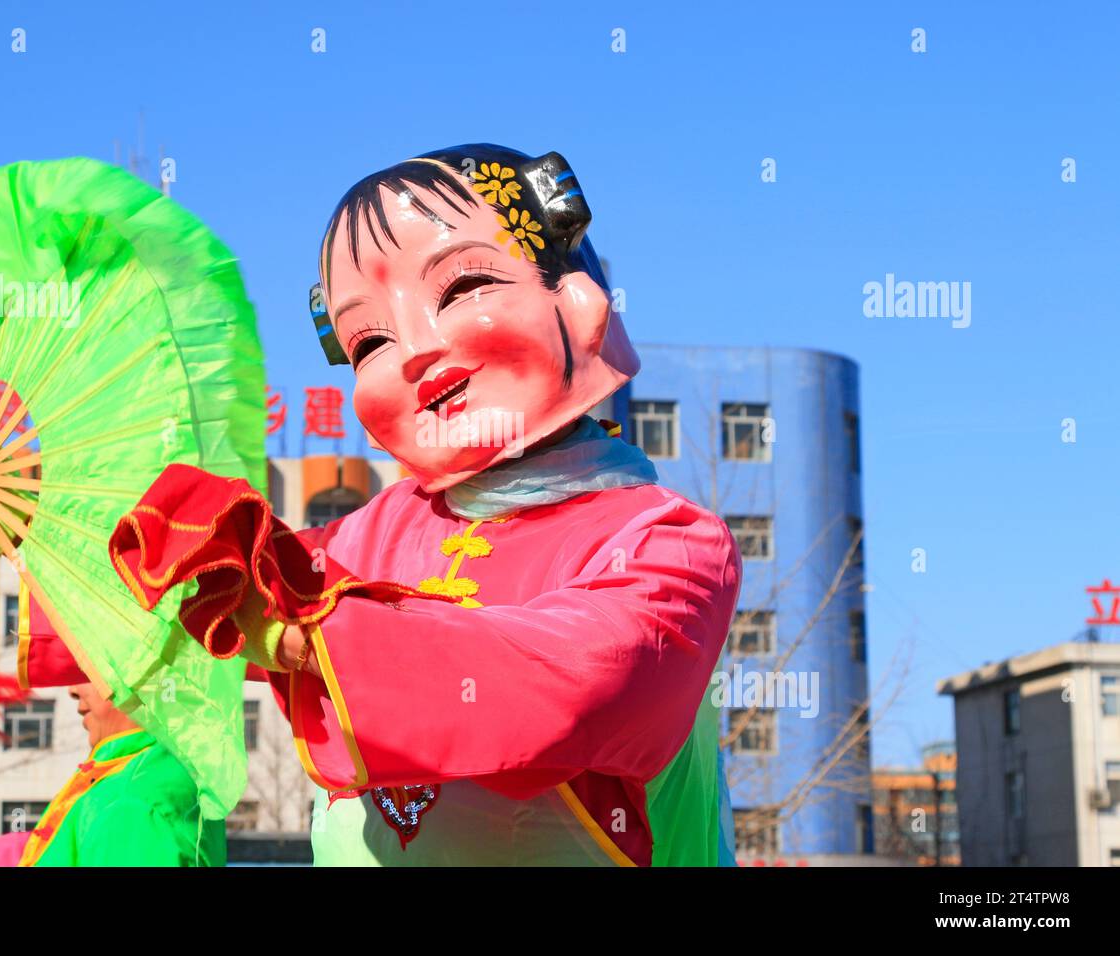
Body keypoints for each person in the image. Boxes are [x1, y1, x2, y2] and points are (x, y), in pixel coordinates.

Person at [111, 144, 742, 866]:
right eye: (370, 338)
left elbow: (584, 681)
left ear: (578, 296)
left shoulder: (666, 541)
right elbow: (162, 603)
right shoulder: (357, 540)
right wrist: (38, 511)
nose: (412, 349)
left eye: (464, 285)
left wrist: (323, 638)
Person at [0, 435, 226, 867]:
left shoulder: (137, 801)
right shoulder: (124, 782)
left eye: (84, 662)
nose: (69, 688)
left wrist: (31, 532)